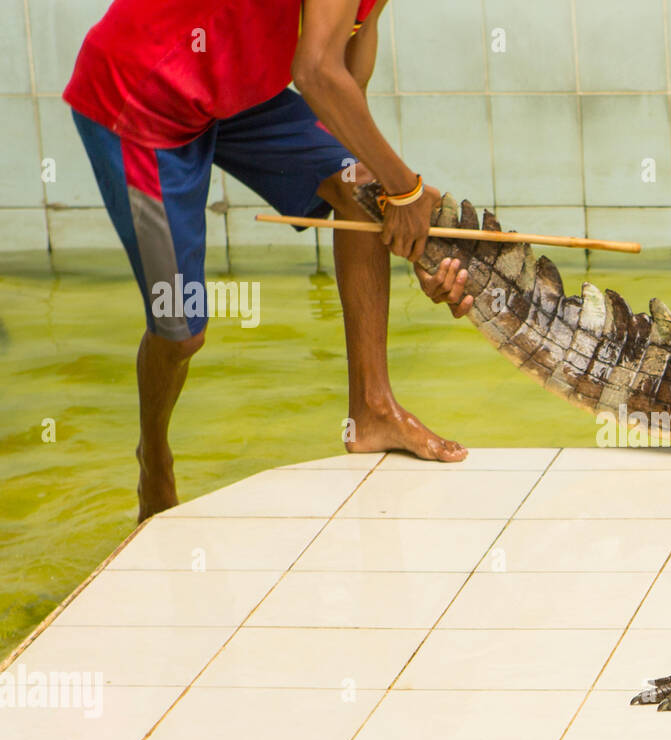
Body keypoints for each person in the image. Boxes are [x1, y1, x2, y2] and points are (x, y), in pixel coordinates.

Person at [63, 0, 474, 522]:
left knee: (362, 190)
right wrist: (406, 189)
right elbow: (315, 73)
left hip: (230, 94)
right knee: (180, 329)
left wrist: (409, 228)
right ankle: (156, 461)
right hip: (142, 95)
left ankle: (372, 411)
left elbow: (346, 97)